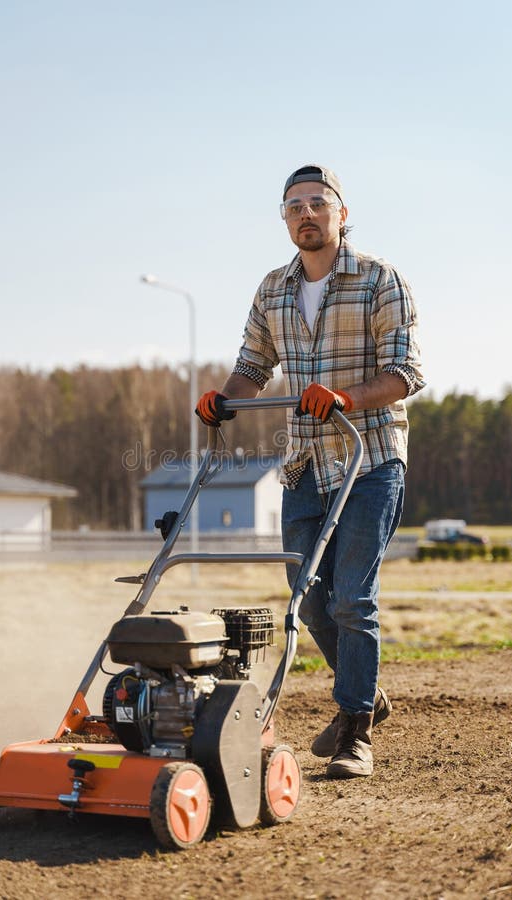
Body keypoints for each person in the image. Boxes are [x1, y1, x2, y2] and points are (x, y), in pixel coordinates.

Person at [196, 164, 425, 779]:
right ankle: (368, 694)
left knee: (352, 598)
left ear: (341, 214)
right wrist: (224, 400)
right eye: (293, 205)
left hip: (369, 461)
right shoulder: (273, 289)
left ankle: (355, 731)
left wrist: (345, 397)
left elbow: (406, 373)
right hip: (302, 466)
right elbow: (252, 364)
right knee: (307, 603)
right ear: (284, 219)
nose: (306, 213)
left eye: (318, 203)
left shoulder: (381, 279)